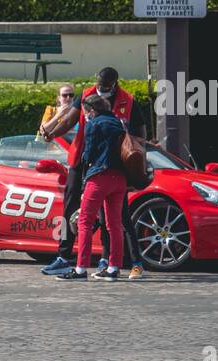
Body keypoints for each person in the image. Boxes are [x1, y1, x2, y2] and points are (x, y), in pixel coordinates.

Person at [40, 67, 143, 279]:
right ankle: (67, 257)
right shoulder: (87, 95)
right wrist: (52, 134)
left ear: (114, 85)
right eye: (97, 85)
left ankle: (89, 265)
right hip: (96, 167)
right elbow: (69, 120)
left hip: (99, 169)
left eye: (103, 87)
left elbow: (140, 137)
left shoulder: (127, 102)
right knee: (74, 208)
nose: (99, 89)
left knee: (93, 219)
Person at [55, 93, 128, 280]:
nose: (85, 115)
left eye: (86, 112)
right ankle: (113, 268)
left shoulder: (93, 124)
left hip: (99, 177)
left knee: (84, 222)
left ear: (92, 111)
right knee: (114, 224)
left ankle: (80, 269)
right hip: (119, 178)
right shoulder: (118, 122)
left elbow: (87, 154)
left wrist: (83, 180)